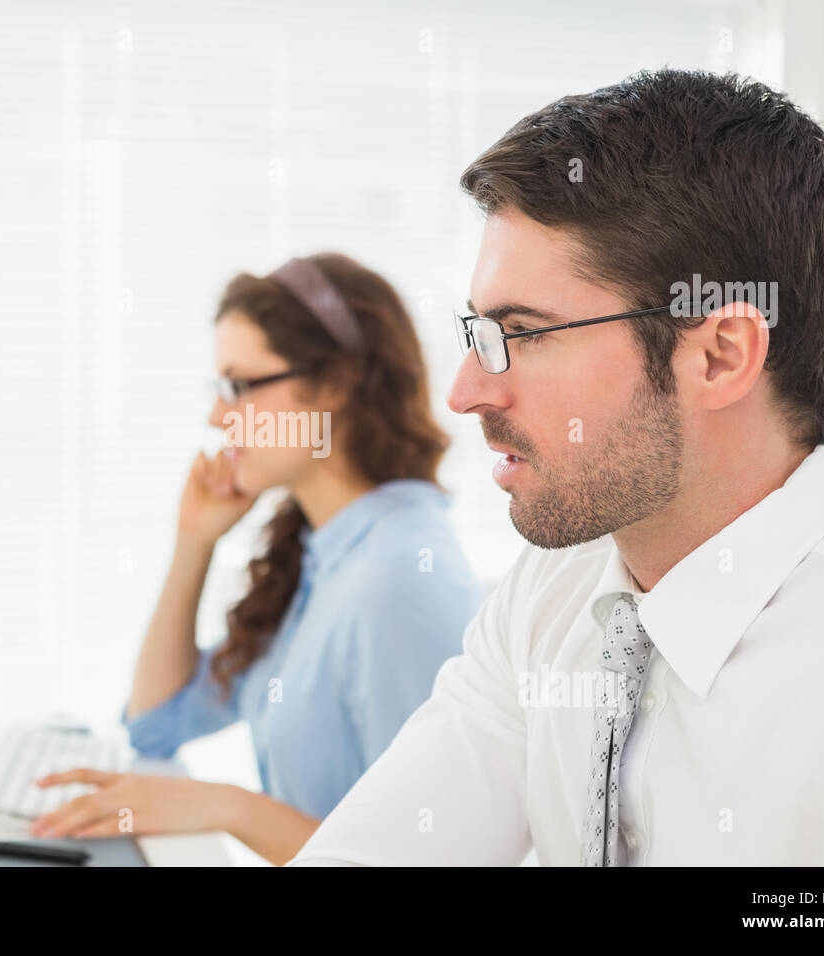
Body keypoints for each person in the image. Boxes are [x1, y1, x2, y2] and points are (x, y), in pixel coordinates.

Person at [290, 69, 824, 866]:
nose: (466, 391)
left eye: (524, 331)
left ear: (721, 354)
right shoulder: (554, 596)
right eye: (479, 333)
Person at [29, 252, 483, 864]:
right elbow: (156, 723)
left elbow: (433, 856)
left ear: (337, 382)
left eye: (241, 385)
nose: (218, 416)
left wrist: (229, 807)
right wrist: (194, 542)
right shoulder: (321, 556)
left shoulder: (398, 577)